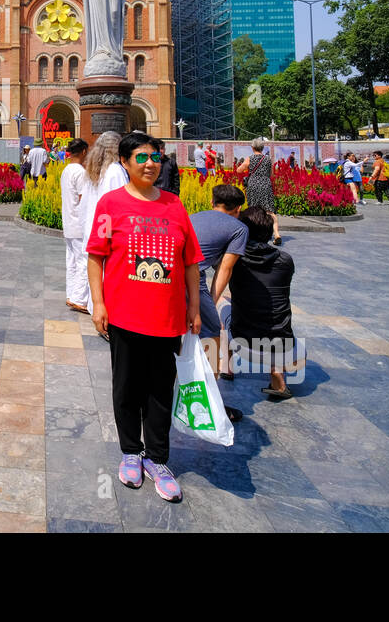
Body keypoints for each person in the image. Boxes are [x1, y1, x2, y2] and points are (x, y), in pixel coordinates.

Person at [87, 131, 203, 503]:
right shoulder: (110, 204)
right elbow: (95, 256)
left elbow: (190, 263)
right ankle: (130, 452)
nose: (150, 163)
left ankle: (158, 459)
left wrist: (194, 308)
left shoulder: (174, 205)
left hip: (167, 317)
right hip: (124, 315)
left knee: (159, 391)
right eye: (141, 157)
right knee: (126, 388)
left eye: (156, 157)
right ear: (125, 162)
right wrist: (99, 304)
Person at [190, 184, 249, 416]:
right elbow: (225, 269)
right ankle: (211, 403)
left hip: (165, 276)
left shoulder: (192, 216)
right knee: (212, 333)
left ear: (213, 202)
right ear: (238, 208)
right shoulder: (239, 228)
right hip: (193, 276)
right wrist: (210, 302)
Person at [229, 205, 299, 400]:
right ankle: (277, 374)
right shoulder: (285, 260)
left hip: (243, 340)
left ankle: (226, 367)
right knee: (277, 311)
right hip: (283, 345)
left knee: (222, 306)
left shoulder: (235, 261)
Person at [80, 131, 127, 266]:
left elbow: (83, 205)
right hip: (107, 236)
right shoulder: (115, 170)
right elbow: (120, 206)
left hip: (92, 231)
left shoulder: (93, 170)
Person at [60, 138, 91, 314]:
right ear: (84, 152)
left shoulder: (67, 169)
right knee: (83, 261)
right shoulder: (80, 172)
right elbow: (82, 198)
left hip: (69, 222)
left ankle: (71, 294)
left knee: (71, 260)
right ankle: (79, 298)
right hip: (79, 223)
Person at [235, 138, 282, 245]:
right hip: (266, 184)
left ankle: (253, 234)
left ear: (252, 147)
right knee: (269, 211)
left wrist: (244, 165)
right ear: (262, 148)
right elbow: (271, 174)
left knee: (253, 210)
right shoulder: (268, 159)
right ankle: (277, 234)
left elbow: (239, 170)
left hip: (254, 185)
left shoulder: (250, 158)